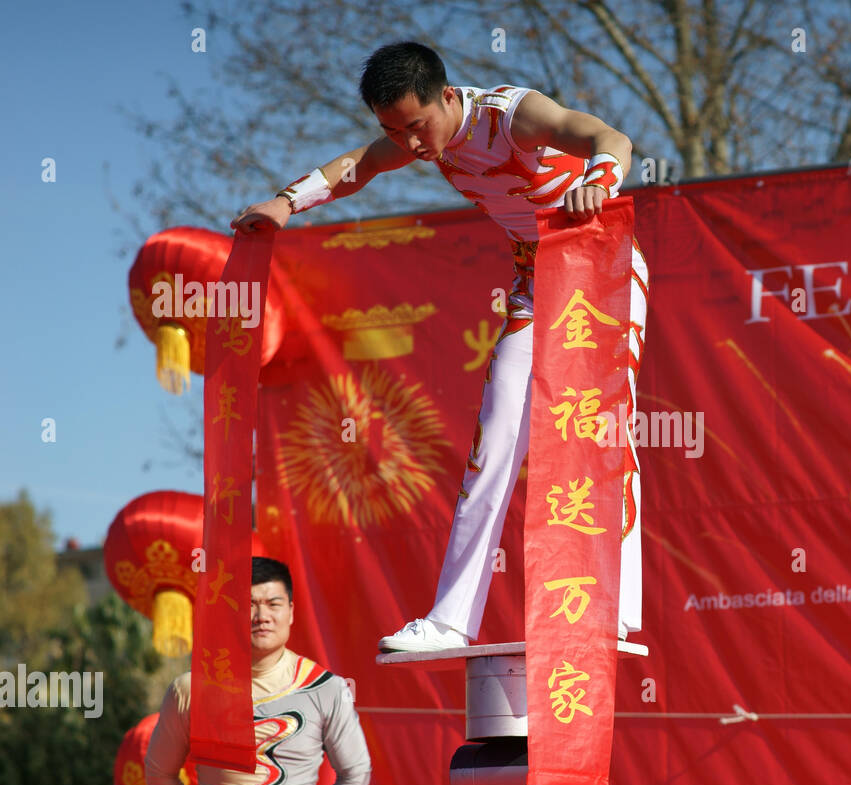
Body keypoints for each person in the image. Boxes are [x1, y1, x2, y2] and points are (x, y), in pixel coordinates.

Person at [231, 41, 648, 654]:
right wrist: (286, 203)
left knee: (596, 433)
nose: (413, 146)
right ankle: (451, 620)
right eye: (394, 131)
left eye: (418, 127)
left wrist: (597, 178)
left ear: (447, 97)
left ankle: (609, 609)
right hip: (536, 282)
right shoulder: (419, 137)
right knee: (495, 437)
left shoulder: (511, 114)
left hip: (599, 272)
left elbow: (608, 137)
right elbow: (357, 167)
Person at [145, 557, 371, 785]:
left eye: (273, 604)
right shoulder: (190, 690)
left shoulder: (326, 689)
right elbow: (159, 772)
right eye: (249, 604)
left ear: (291, 612)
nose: (262, 616)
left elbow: (356, 770)